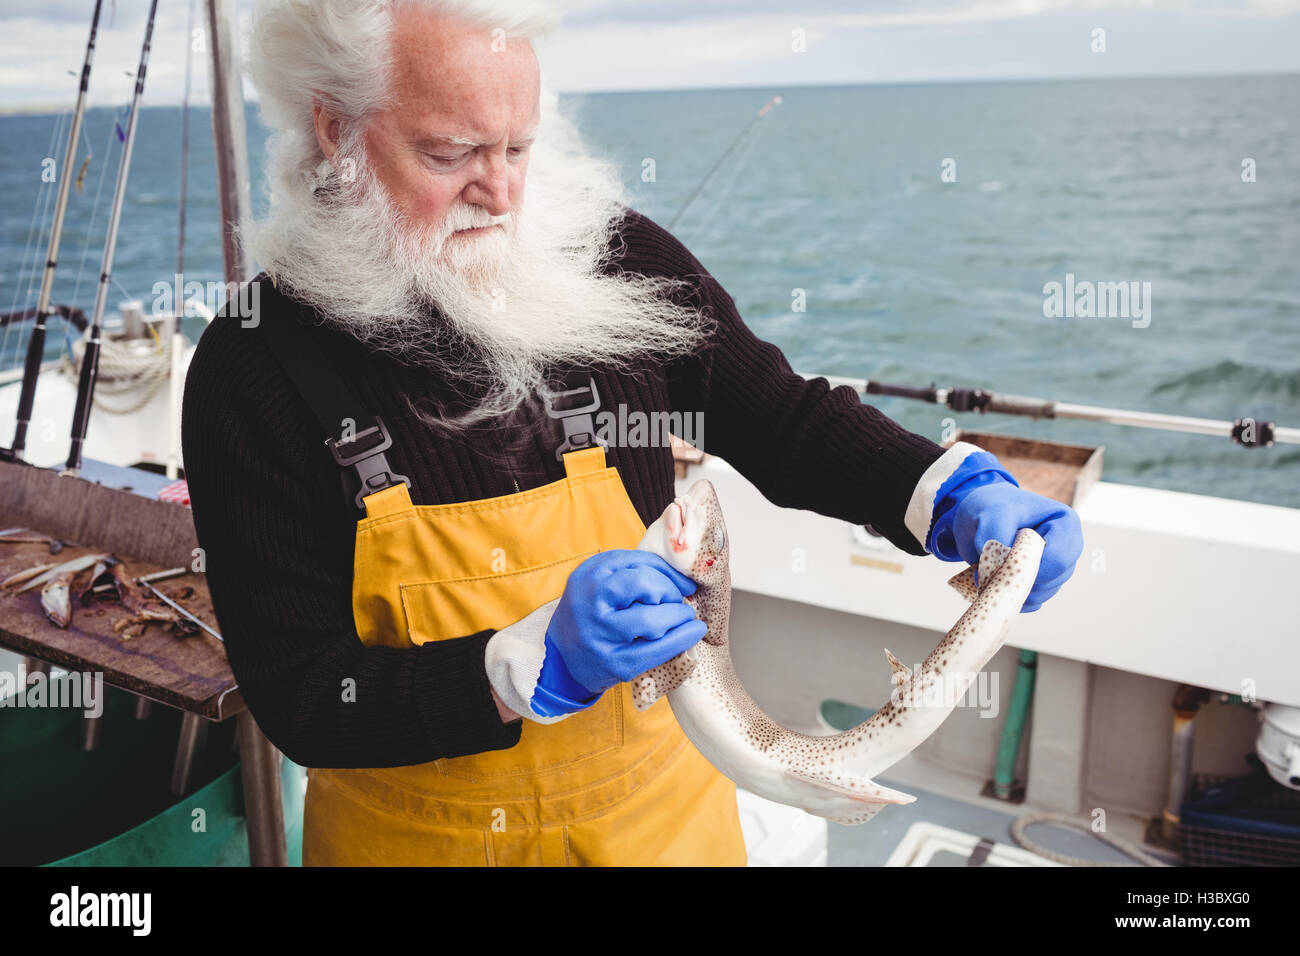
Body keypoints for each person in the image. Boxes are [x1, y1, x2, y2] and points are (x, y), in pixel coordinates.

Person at [181, 0, 1083, 866]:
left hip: (662, 823)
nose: (498, 191)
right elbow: (303, 699)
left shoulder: (621, 259)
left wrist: (940, 492)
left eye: (518, 147)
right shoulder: (250, 370)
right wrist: (525, 665)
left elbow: (782, 419)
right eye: (450, 152)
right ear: (335, 127)